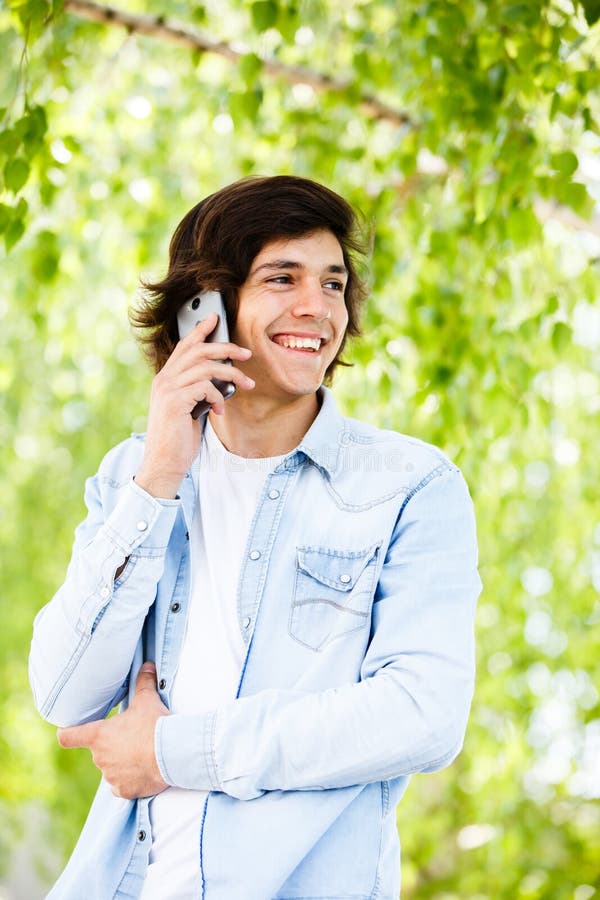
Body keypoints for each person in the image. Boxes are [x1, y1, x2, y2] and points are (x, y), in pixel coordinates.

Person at [29, 175, 482, 900]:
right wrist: (156, 482)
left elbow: (421, 715)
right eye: (283, 278)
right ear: (201, 310)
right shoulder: (132, 477)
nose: (319, 308)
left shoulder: (411, 488)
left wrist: (172, 752)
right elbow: (63, 692)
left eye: (333, 284)